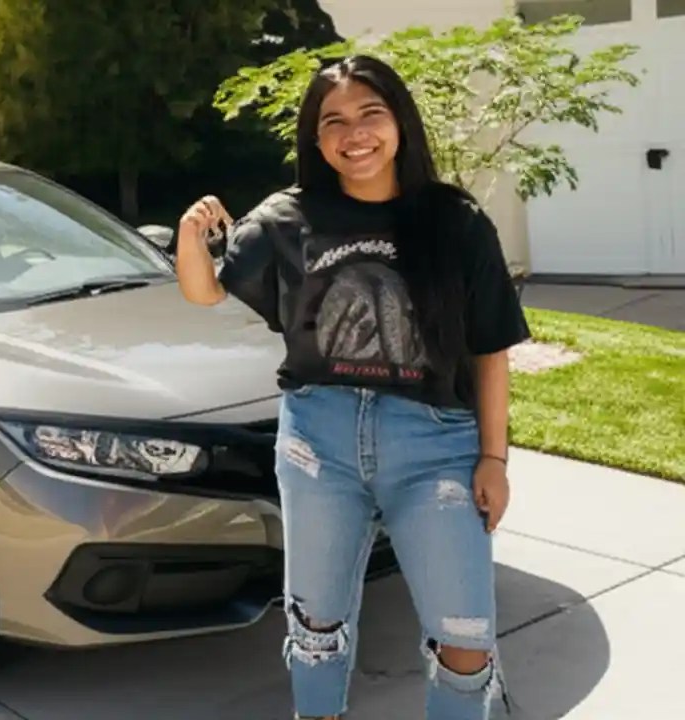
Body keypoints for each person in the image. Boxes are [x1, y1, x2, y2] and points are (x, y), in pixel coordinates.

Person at [175, 55, 531, 719]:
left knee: (466, 640)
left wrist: (494, 458)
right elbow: (206, 291)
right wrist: (191, 238)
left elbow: (491, 349)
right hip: (319, 444)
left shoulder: (455, 222)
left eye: (371, 113)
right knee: (315, 630)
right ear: (316, 139)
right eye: (333, 121)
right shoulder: (287, 217)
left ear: (399, 121)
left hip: (435, 450)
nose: (354, 132)